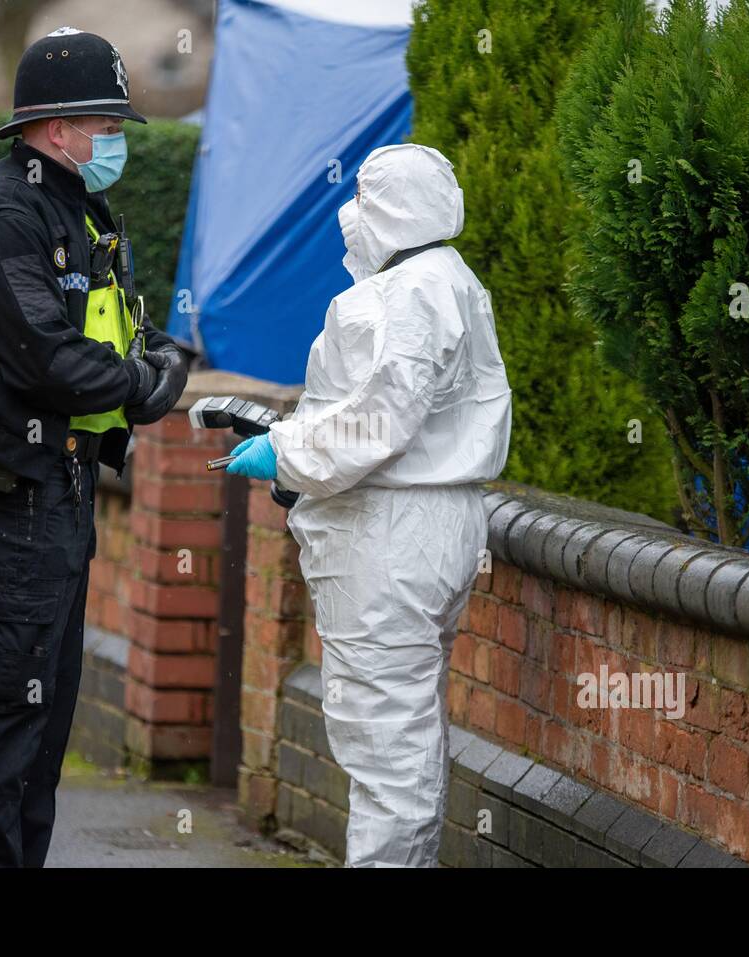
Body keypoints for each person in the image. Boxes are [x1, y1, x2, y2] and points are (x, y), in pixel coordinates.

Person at [0, 27, 187, 867]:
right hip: (19, 495)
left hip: (64, 490)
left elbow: (103, 324)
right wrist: (139, 387)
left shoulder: (73, 204)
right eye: (104, 125)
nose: (114, 141)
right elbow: (46, 356)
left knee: (48, 716)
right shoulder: (0, 219)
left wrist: (150, 355)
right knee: (8, 713)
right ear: (53, 128)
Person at [227, 143, 512, 866]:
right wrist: (293, 441)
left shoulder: (408, 294)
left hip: (392, 534)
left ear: (394, 209)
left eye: (363, 197)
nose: (350, 215)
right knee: (404, 735)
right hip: (428, 522)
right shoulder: (449, 281)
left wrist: (285, 453)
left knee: (387, 744)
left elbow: (377, 424)